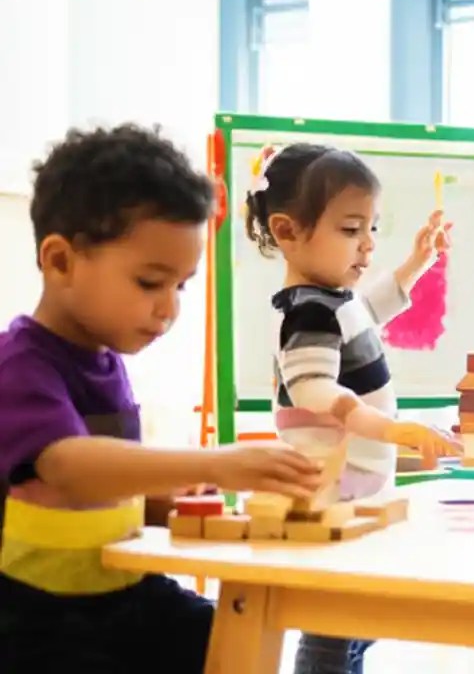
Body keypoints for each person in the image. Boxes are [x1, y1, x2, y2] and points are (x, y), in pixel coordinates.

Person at [0, 124, 323, 674]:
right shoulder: (20, 367)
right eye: (150, 283)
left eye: (181, 285)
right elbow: (68, 469)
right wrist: (218, 463)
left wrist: (177, 502)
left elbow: (110, 496)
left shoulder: (106, 364)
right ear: (59, 261)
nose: (169, 308)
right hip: (36, 616)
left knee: (223, 635)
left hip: (124, 592)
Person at [244, 142, 460, 674]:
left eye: (372, 229)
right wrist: (392, 429)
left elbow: (372, 308)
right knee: (334, 625)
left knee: (354, 621)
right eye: (350, 230)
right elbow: (317, 390)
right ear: (287, 232)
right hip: (331, 487)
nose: (366, 246)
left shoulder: (335, 301)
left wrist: (418, 262)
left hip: (354, 488)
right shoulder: (308, 312)